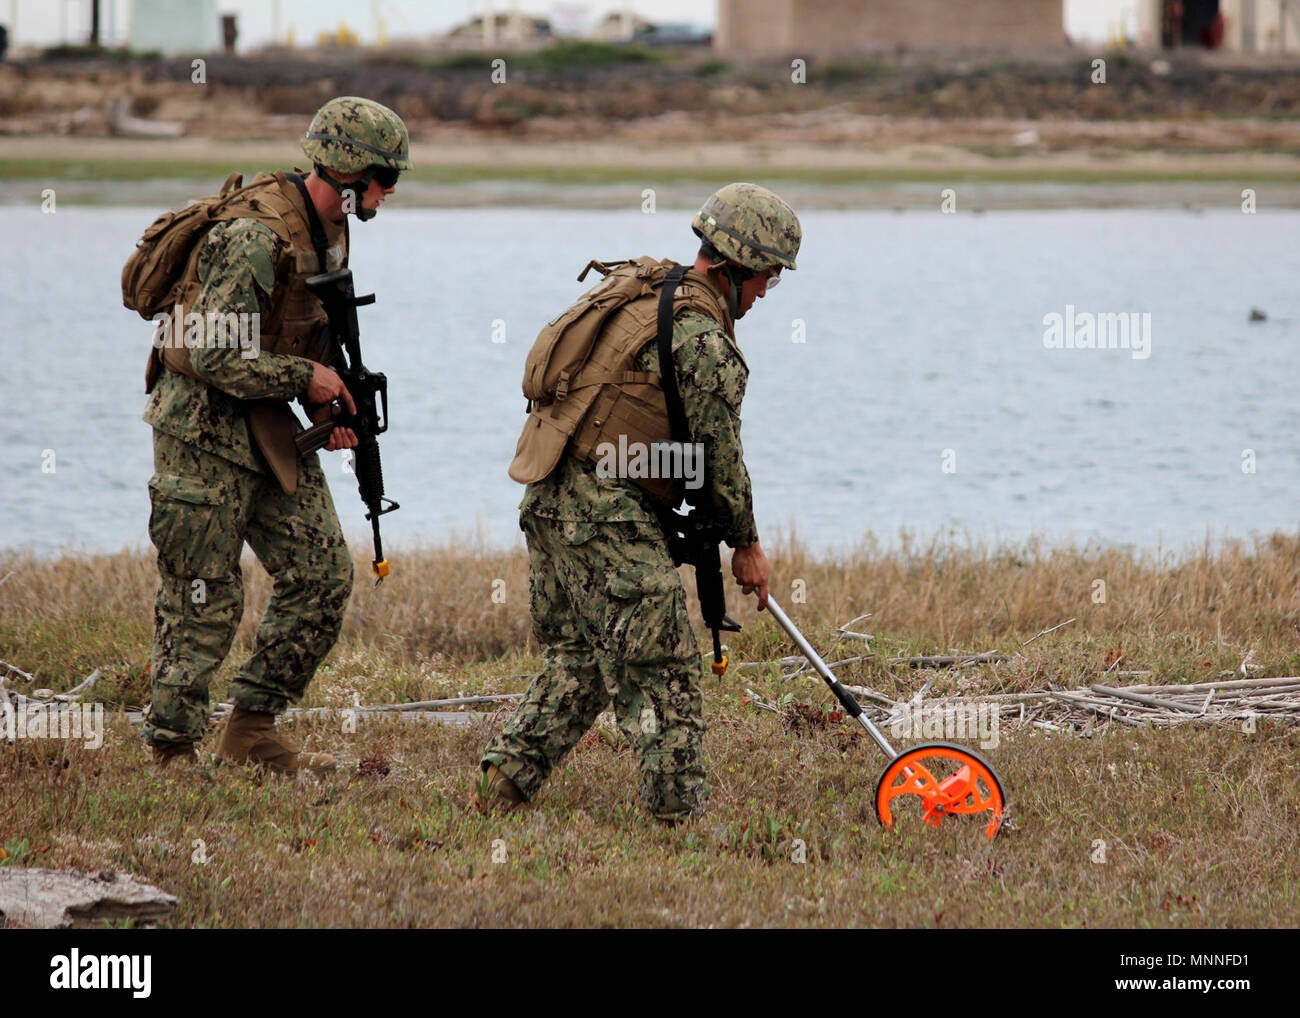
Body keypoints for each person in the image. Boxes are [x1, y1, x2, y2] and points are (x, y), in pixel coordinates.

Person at [480, 183, 801, 820]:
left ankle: (503, 786)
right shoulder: (704, 343)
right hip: (601, 512)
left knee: (584, 660)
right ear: (736, 268)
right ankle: (678, 819)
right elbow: (719, 459)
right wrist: (748, 544)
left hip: (547, 494)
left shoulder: (645, 291)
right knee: (669, 670)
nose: (767, 293)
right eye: (767, 277)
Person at [139, 96, 409, 772]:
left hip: (265, 421)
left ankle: (251, 731)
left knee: (320, 575)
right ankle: (172, 750)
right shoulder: (255, 236)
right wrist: (307, 381)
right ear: (349, 173)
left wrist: (324, 409)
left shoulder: (330, 229)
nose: (391, 192)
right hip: (201, 427)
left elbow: (300, 331)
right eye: (385, 177)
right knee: (202, 591)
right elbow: (212, 355)